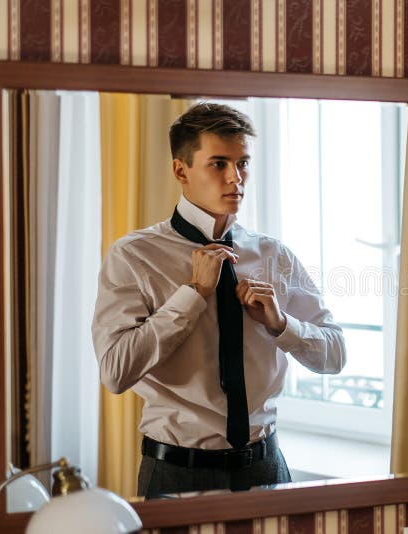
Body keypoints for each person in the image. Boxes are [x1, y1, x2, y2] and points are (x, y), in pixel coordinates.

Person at [92, 102, 346, 498]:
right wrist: (192, 296)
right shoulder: (133, 256)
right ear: (181, 171)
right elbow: (115, 371)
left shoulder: (273, 255)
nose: (236, 178)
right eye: (219, 163)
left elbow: (335, 355)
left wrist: (282, 325)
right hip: (176, 472)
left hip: (268, 468)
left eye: (243, 163)